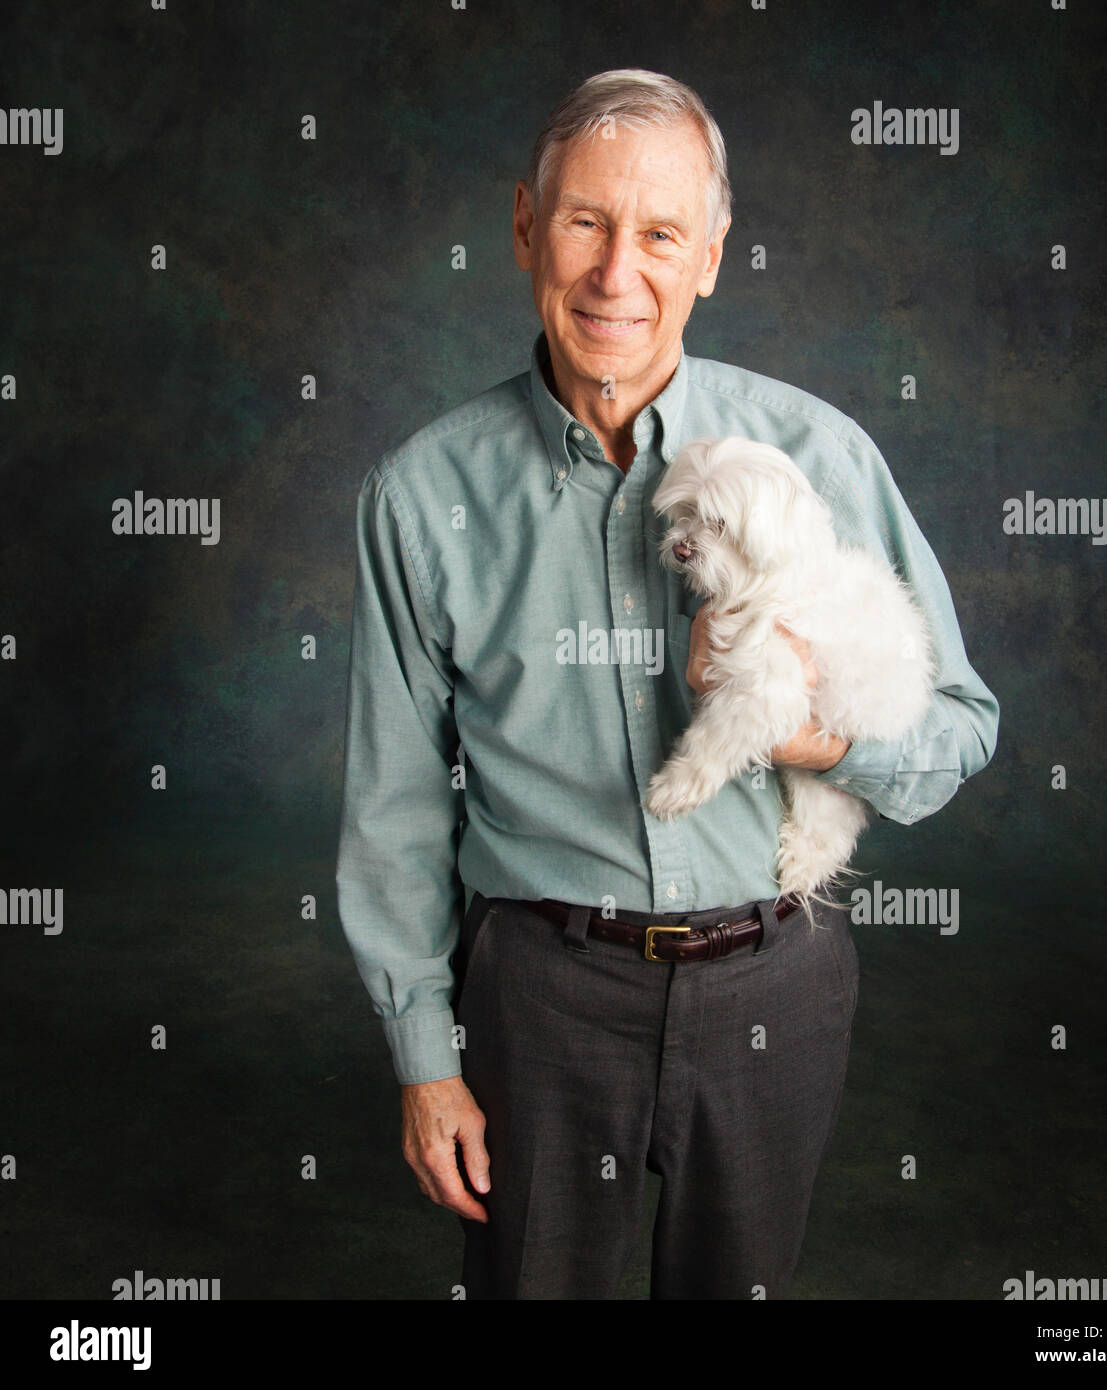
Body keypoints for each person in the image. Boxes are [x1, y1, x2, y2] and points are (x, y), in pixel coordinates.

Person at [335, 68, 998, 1300]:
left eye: (658, 234)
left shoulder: (821, 455)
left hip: (776, 986)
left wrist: (807, 735)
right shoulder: (420, 497)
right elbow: (394, 807)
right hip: (540, 996)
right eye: (584, 222)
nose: (614, 273)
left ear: (709, 257)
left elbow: (957, 731)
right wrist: (427, 1061)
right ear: (527, 226)